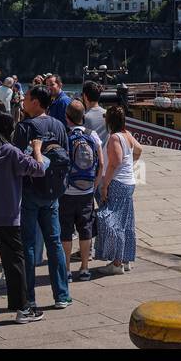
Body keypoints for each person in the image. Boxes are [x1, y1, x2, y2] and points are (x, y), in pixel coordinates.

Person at [0, 107, 46, 325]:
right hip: (8, 215)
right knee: (14, 264)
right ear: (7, 130)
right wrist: (37, 149)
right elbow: (38, 169)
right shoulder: (11, 152)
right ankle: (22, 310)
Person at [13, 86, 72, 310]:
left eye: (27, 98)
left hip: (29, 190)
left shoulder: (24, 127)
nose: (23, 101)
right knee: (54, 242)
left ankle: (29, 296)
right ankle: (62, 295)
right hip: (53, 192)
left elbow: (17, 162)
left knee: (28, 244)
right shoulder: (58, 125)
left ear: (36, 102)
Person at [93, 105, 141, 276]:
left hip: (117, 182)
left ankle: (117, 263)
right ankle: (125, 260)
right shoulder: (127, 135)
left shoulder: (114, 138)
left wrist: (105, 185)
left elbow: (115, 162)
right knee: (126, 221)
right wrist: (131, 164)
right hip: (129, 182)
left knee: (113, 222)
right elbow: (139, 150)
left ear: (109, 121)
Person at [60, 99, 102, 282]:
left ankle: (67, 269)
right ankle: (84, 268)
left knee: (66, 231)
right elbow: (100, 163)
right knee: (85, 230)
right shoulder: (93, 136)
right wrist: (94, 185)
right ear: (82, 117)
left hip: (68, 192)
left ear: (66, 117)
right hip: (87, 192)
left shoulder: (64, 137)